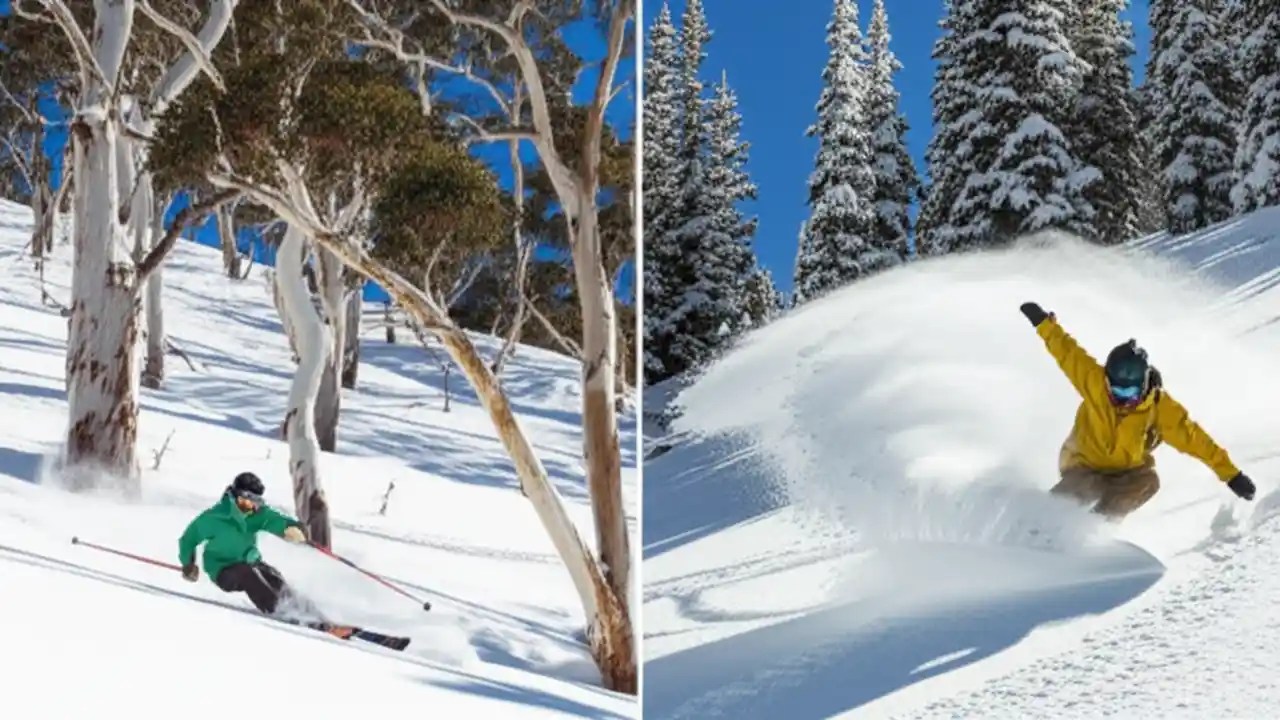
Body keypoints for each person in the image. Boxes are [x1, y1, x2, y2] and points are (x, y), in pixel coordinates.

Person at [1019, 301, 1256, 520]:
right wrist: (1044, 324)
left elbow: (1194, 440)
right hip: (1083, 466)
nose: (1122, 401)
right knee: (1087, 486)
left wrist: (1231, 475)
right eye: (1117, 392)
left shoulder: (1160, 407)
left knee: (1149, 481)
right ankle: (1038, 523)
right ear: (1107, 381)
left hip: (1126, 473)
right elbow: (1067, 352)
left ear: (1143, 386)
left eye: (1130, 394)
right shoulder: (1094, 382)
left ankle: (1094, 527)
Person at [178, 472, 331, 625]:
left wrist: (292, 528)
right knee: (247, 573)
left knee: (273, 577)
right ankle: (279, 611)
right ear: (234, 497)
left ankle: (314, 615)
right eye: (246, 502)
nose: (250, 508)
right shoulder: (215, 517)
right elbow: (189, 539)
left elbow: (275, 520)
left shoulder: (256, 514)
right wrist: (188, 564)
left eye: (256, 502)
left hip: (251, 562)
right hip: (223, 570)